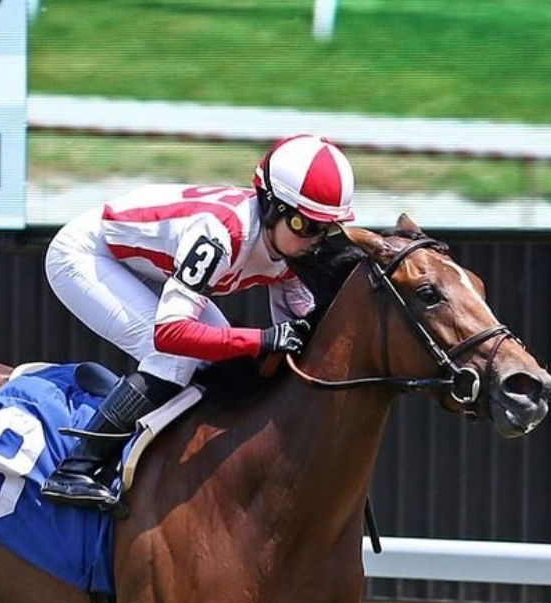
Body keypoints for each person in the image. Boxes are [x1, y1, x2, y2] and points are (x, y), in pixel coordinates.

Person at [41, 133, 356, 510]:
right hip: (87, 256)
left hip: (149, 262)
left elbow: (304, 337)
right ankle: (77, 469)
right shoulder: (221, 235)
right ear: (271, 207)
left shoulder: (289, 247)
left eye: (327, 229)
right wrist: (262, 339)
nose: (316, 241)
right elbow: (172, 333)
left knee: (220, 358)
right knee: (173, 356)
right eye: (306, 225)